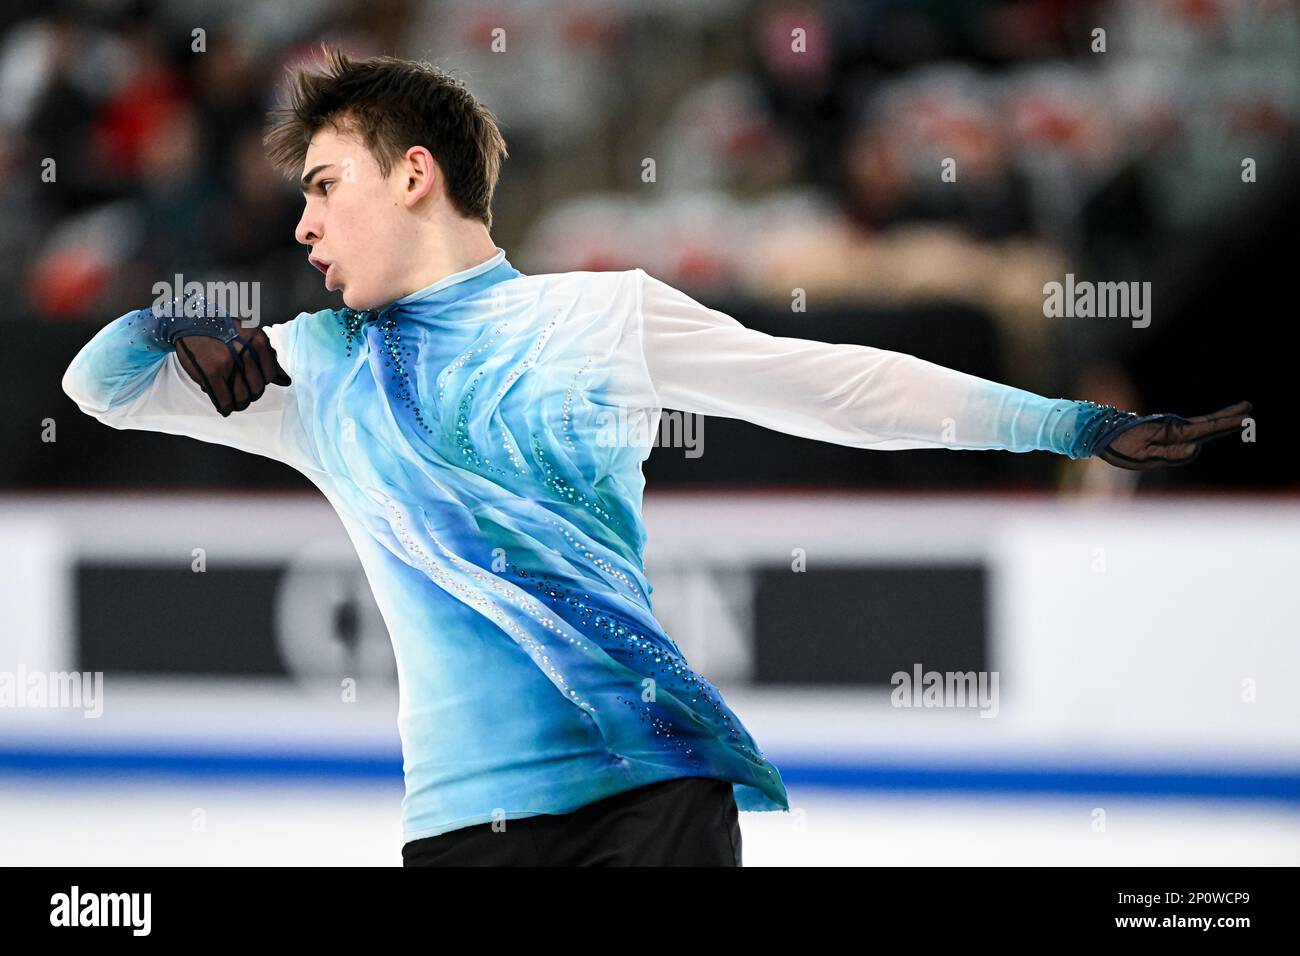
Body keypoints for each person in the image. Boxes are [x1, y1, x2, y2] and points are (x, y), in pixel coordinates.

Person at [61, 48, 1251, 867]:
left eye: (325, 185)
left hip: (655, 805)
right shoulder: (313, 364)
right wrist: (163, 326)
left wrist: (1067, 424)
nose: (304, 223)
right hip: (462, 827)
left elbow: (837, 385)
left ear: (414, 173)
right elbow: (97, 392)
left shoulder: (600, 315)